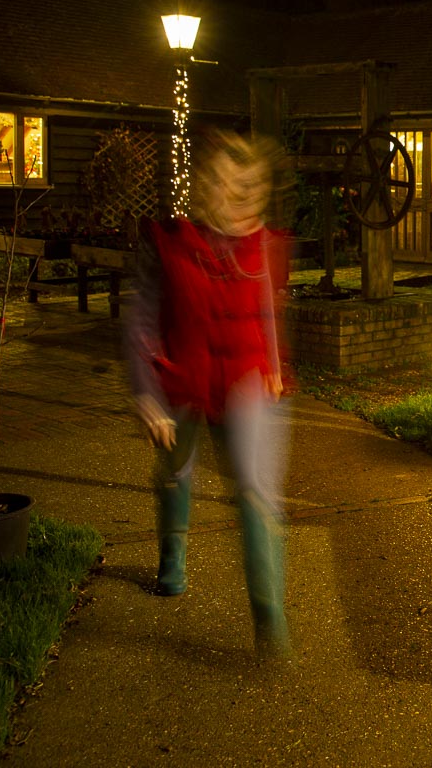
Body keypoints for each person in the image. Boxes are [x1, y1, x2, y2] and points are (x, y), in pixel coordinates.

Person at [124, 130, 290, 659]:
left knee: (257, 492)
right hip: (183, 379)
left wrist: (275, 366)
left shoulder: (263, 246)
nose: (243, 193)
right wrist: (147, 393)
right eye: (230, 182)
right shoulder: (169, 245)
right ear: (205, 188)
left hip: (245, 382)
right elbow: (141, 320)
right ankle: (172, 555)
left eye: (253, 184)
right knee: (175, 469)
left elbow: (266, 309)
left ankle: (270, 616)